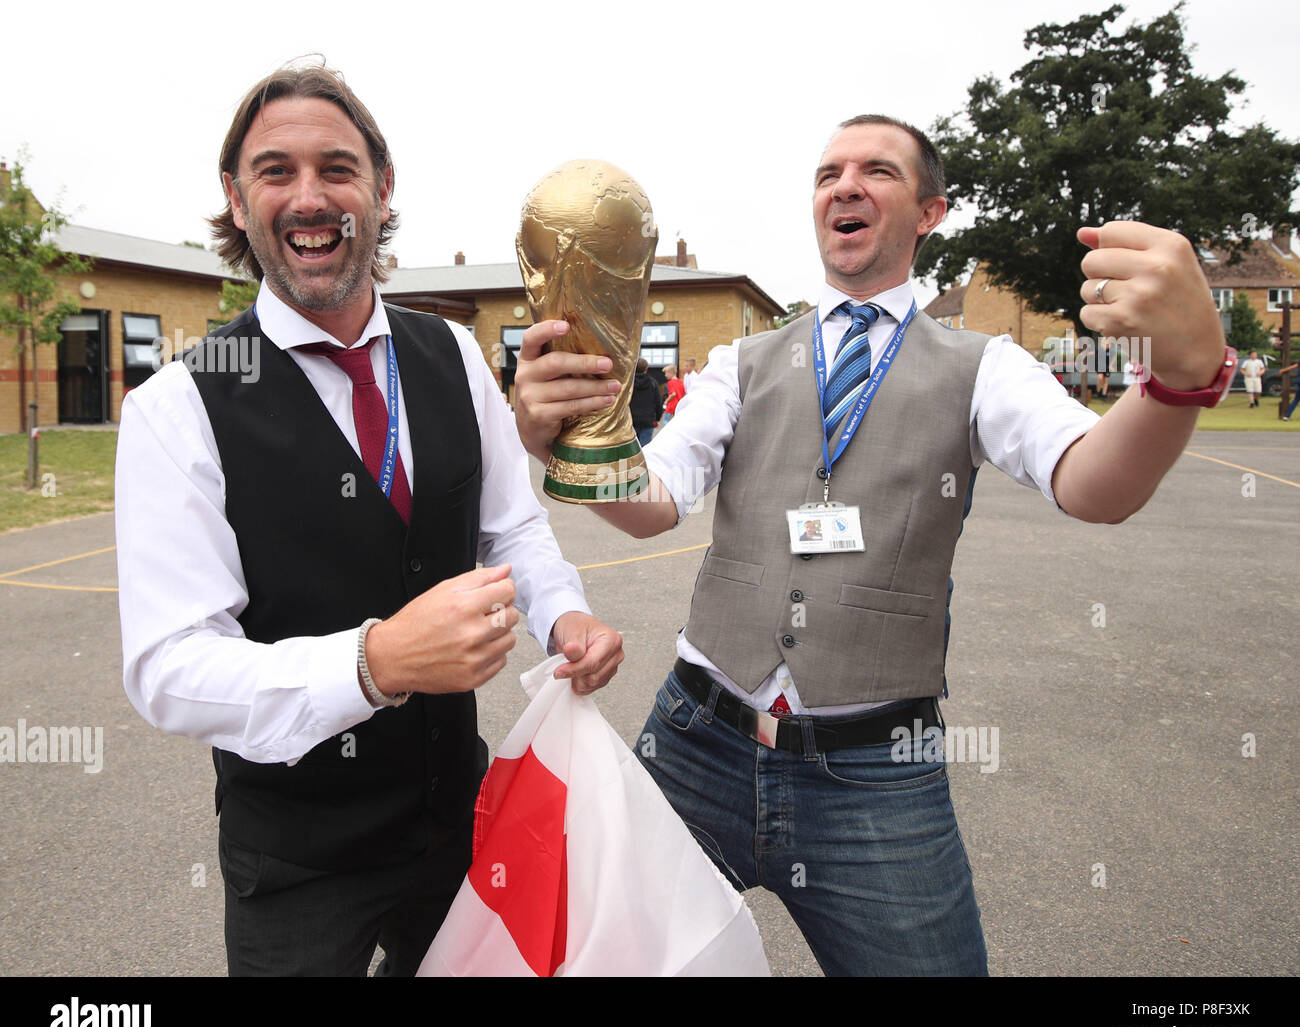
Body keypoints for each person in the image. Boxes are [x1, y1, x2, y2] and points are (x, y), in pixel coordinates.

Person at [513, 114, 1233, 976]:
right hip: (694, 744)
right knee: (603, 965)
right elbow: (654, 500)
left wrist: (1179, 381)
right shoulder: (741, 362)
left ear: (929, 211)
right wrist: (563, 435)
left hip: (879, 777)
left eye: (877, 171)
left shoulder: (984, 365)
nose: (845, 186)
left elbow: (1095, 484)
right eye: (827, 174)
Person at [114, 64, 623, 977]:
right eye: (275, 172)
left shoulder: (453, 354)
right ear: (235, 199)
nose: (309, 198)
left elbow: (508, 529)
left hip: (457, 822)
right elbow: (170, 665)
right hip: (298, 860)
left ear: (383, 191)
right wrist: (374, 663)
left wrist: (564, 615)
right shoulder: (177, 407)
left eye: (337, 168)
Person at [629, 357, 662, 446]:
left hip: (632, 420)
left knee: (633, 448)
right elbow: (658, 401)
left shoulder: (629, 383)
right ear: (646, 369)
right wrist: (657, 418)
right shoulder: (653, 382)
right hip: (648, 420)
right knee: (646, 448)